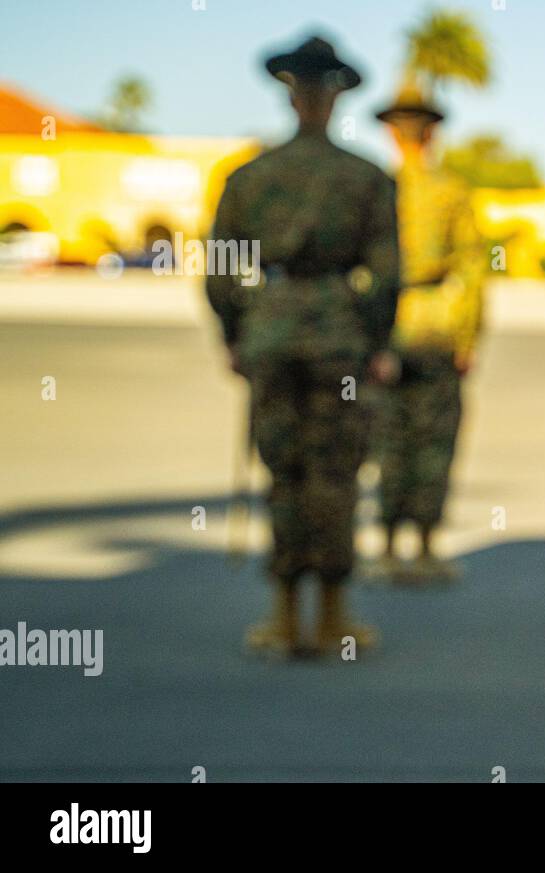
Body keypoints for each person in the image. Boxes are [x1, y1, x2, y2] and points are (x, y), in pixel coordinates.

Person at [206, 35, 400, 654]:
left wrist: (238, 333)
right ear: (336, 97)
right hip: (339, 336)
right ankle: (334, 616)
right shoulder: (366, 178)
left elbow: (220, 272)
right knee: (337, 474)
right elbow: (386, 275)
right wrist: (374, 340)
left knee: (284, 471)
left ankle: (286, 616)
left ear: (290, 95)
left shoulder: (249, 177)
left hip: (271, 333)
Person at [371, 84, 485, 580]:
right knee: (434, 441)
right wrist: (467, 335)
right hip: (436, 325)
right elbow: (473, 267)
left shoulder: (379, 186)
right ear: (434, 131)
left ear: (391, 133)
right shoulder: (451, 189)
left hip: (391, 326)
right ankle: (423, 545)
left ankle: (392, 546)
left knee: (390, 440)